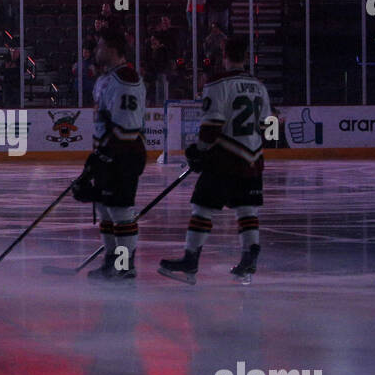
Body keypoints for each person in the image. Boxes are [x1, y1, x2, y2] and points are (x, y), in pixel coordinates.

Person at [160, 35, 272, 284]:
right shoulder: (259, 86)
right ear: (245, 57)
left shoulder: (217, 84)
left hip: (225, 160)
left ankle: (190, 260)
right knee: (247, 210)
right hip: (253, 158)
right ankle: (249, 258)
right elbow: (266, 124)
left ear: (224, 55)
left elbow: (212, 126)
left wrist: (199, 151)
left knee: (202, 208)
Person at [71, 30, 146, 281]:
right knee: (104, 209)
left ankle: (125, 265)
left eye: (101, 44)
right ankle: (111, 261)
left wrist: (106, 156)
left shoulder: (125, 79)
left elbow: (125, 128)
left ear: (113, 49)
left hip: (123, 155)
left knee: (121, 212)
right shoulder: (109, 77)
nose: (96, 49)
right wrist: (97, 158)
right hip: (109, 152)